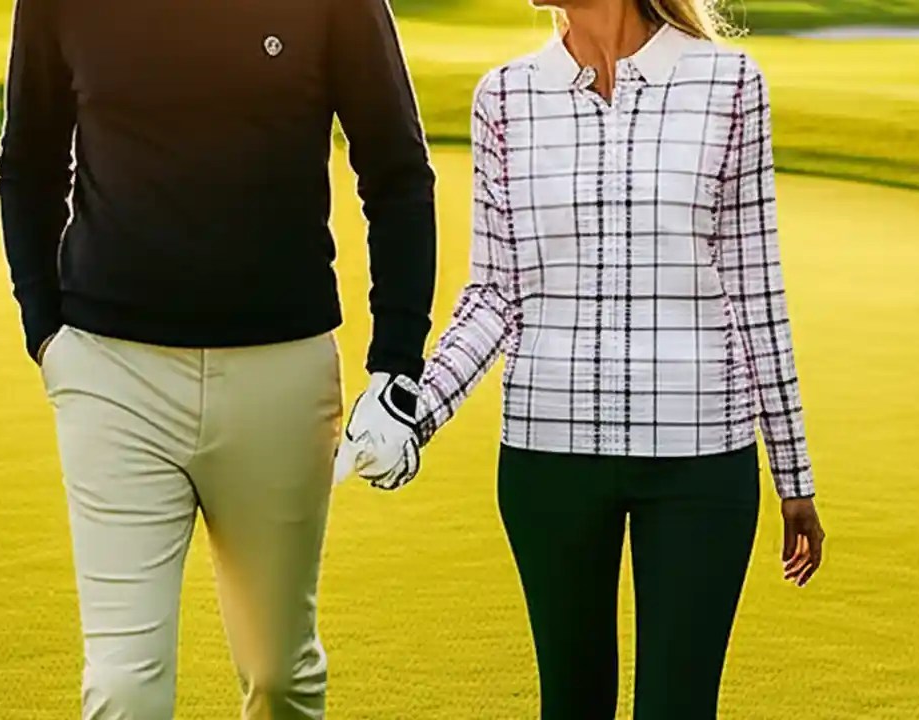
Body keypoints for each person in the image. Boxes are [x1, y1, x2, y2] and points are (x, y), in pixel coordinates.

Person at [338, 0, 827, 717]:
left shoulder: (729, 84)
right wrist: (414, 411)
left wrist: (793, 474)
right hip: (549, 461)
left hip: (700, 463)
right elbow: (496, 295)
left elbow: (755, 287)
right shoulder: (503, 96)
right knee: (571, 706)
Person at [0, 0, 436, 716]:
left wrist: (395, 363)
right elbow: (28, 166)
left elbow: (397, 172)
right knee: (122, 685)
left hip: (282, 374)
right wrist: (46, 331)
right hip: (112, 375)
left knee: (279, 675)